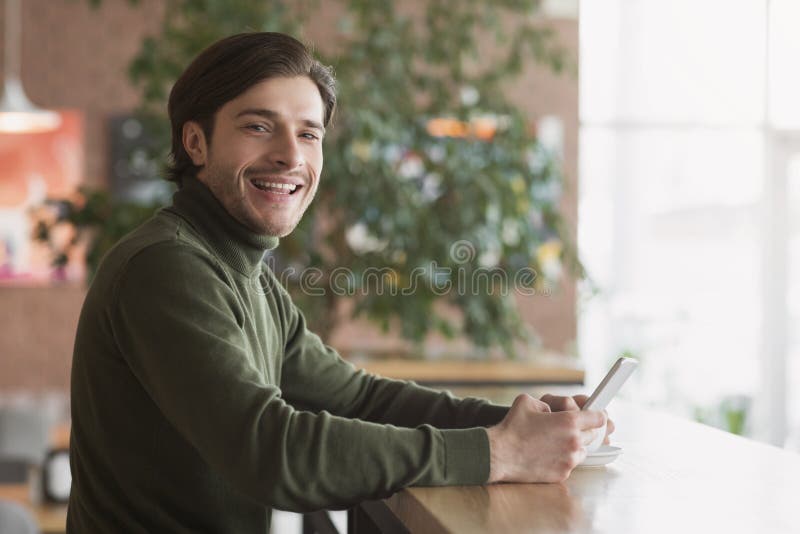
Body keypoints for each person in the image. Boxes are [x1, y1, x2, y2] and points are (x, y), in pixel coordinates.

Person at [67, 32, 611, 533]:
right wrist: (499, 453)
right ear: (196, 143)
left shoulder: (245, 275)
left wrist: (528, 427)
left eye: (309, 133)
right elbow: (273, 452)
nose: (290, 154)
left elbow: (360, 399)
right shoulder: (167, 267)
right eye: (259, 126)